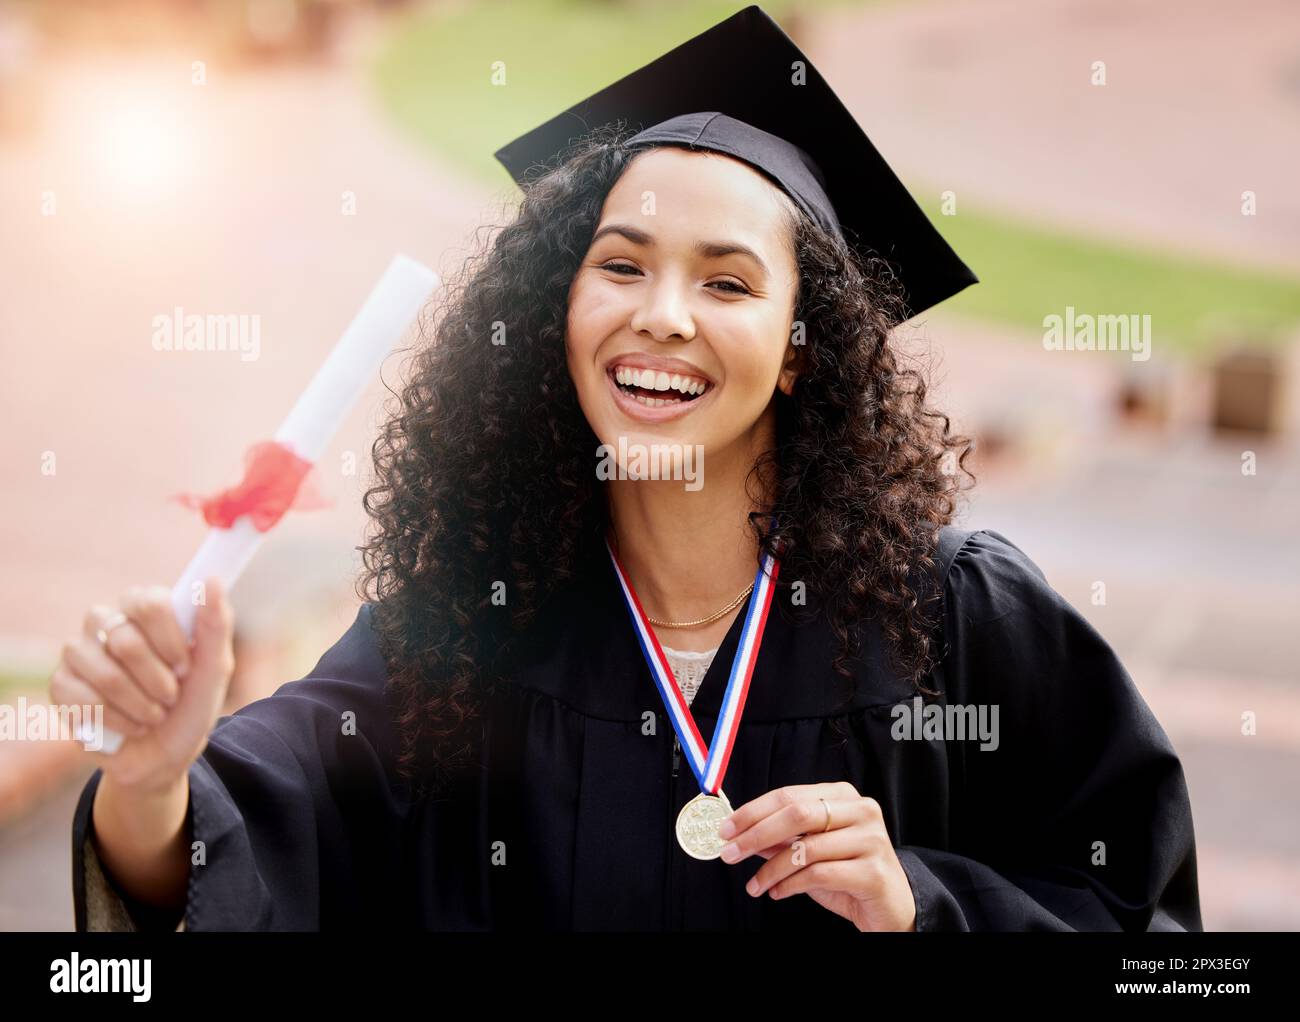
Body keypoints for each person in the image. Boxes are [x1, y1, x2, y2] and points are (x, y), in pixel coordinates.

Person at [57, 6, 1201, 932]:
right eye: (621, 264)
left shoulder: (956, 620)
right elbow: (247, 841)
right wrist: (152, 780)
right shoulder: (463, 634)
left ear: (806, 350)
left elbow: (1144, 926)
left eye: (727, 281)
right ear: (557, 313)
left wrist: (923, 909)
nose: (661, 317)